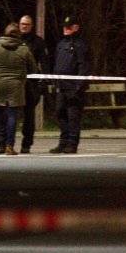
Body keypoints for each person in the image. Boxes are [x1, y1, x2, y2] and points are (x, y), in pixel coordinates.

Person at [0, 23, 37, 155]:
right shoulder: (24, 49)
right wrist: (21, 74)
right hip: (16, 86)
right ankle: (9, 146)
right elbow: (33, 69)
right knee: (12, 116)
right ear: (18, 34)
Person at [50, 15, 91, 154]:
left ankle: (72, 144)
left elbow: (84, 66)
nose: (65, 28)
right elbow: (57, 65)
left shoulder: (81, 45)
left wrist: (79, 85)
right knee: (61, 114)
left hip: (74, 88)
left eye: (68, 26)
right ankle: (63, 142)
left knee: (73, 117)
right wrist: (54, 82)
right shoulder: (61, 44)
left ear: (76, 28)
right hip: (61, 86)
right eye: (64, 26)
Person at [18, 15, 50, 153]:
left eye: (27, 24)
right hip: (15, 82)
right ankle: (6, 142)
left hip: (31, 83)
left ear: (31, 26)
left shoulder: (38, 42)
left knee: (29, 115)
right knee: (10, 114)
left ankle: (26, 144)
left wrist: (45, 80)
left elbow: (44, 61)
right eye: (22, 24)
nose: (24, 26)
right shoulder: (14, 40)